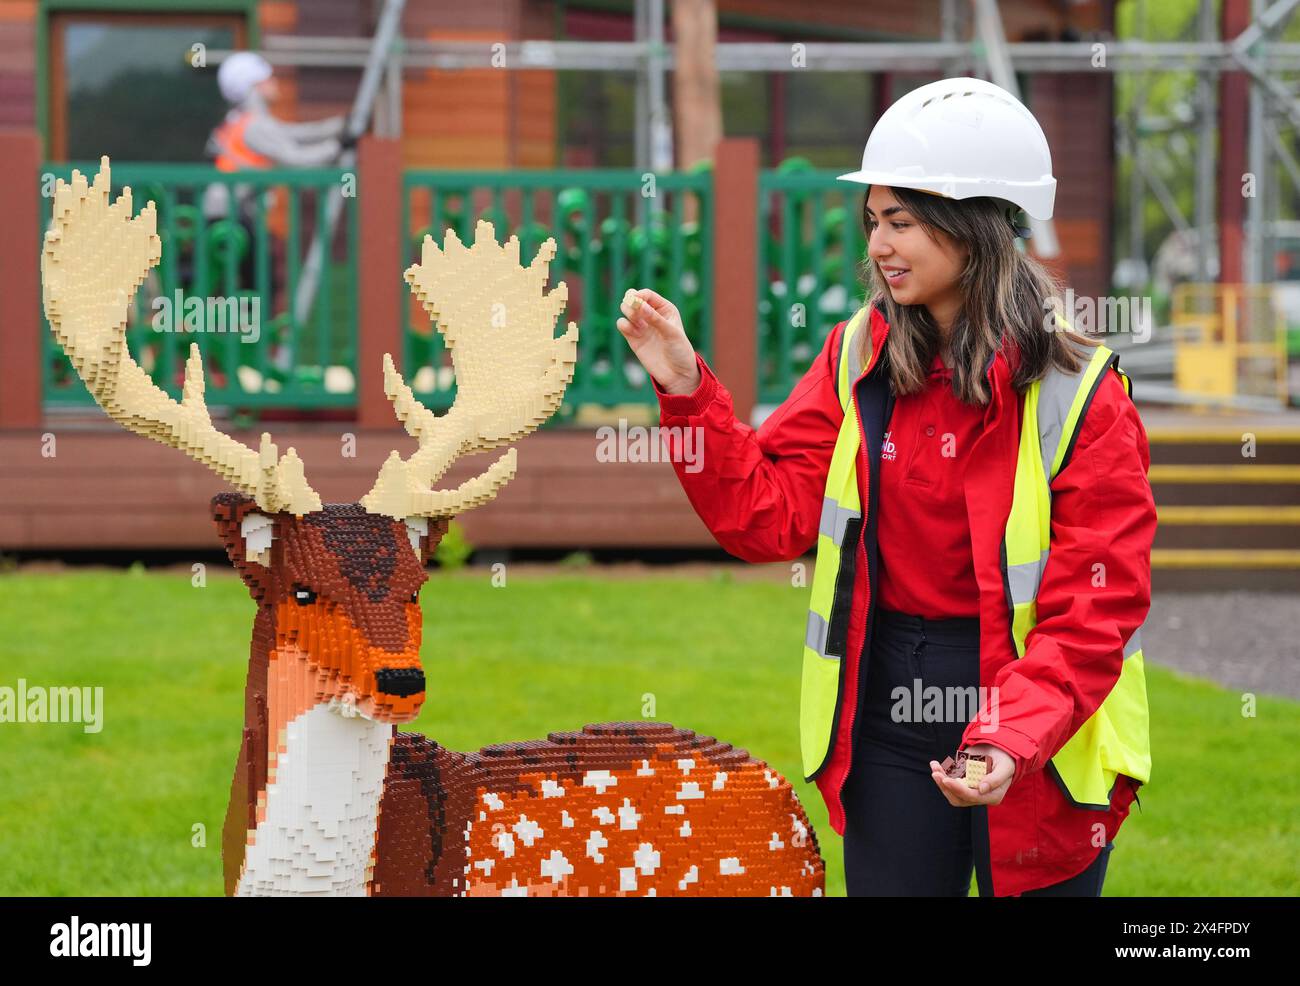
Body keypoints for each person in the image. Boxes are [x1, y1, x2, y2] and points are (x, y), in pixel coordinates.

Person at [615, 77, 1156, 897]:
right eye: (874, 221)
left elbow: (1099, 603)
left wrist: (1010, 737)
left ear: (972, 225)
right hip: (888, 699)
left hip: (1042, 712)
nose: (878, 245)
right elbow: (766, 516)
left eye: (900, 220)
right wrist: (688, 390)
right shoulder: (854, 350)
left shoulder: (1082, 388)